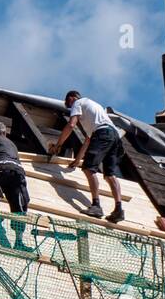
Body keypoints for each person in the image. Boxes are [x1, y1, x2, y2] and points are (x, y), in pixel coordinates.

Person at [49, 90, 125, 223]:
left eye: (68, 104)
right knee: (109, 175)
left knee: (89, 168)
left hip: (102, 134)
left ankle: (96, 206)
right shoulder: (93, 108)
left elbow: (71, 124)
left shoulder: (78, 103)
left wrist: (58, 145)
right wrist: (78, 160)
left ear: (72, 98)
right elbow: (88, 140)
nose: (70, 108)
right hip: (114, 136)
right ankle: (119, 209)